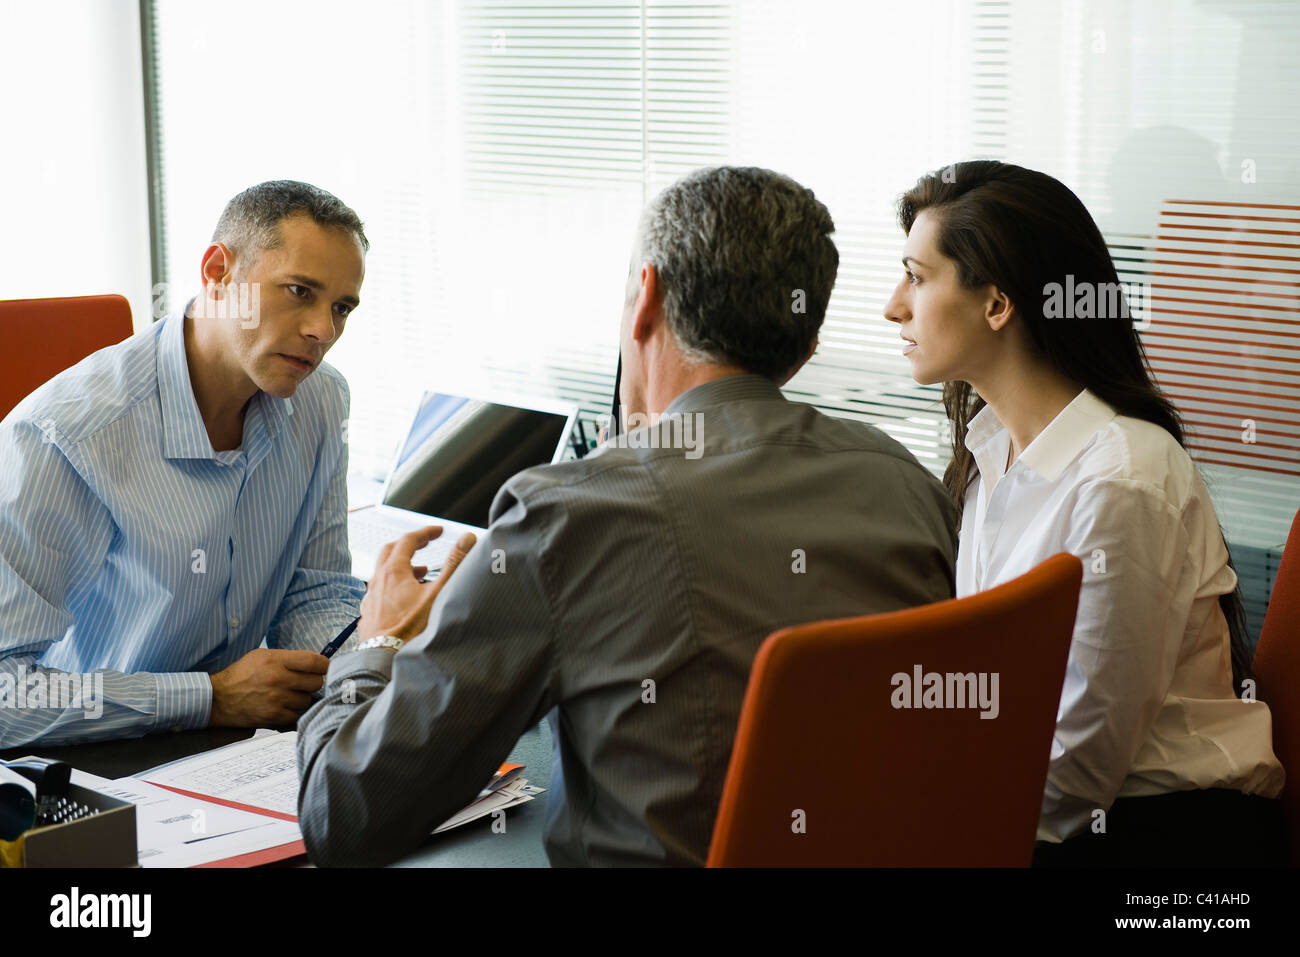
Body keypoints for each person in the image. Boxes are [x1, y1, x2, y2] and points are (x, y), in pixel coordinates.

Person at [296, 165, 958, 867]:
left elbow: (345, 814)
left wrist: (378, 647)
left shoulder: (574, 514)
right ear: (806, 345)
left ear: (647, 298)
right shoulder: (907, 484)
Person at [884, 160, 1285, 866]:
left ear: (997, 304)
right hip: (1060, 815)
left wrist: (930, 825)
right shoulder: (993, 453)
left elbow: (1080, 767)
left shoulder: (1121, 480)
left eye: (918, 277)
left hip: (1167, 838)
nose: (894, 306)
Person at [0, 180, 368, 747]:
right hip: (92, 756)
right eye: (299, 291)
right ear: (218, 273)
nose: (324, 330)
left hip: (236, 752)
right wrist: (210, 697)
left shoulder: (321, 401)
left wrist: (373, 668)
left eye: (341, 307)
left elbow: (314, 594)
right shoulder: (65, 437)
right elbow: (6, 692)